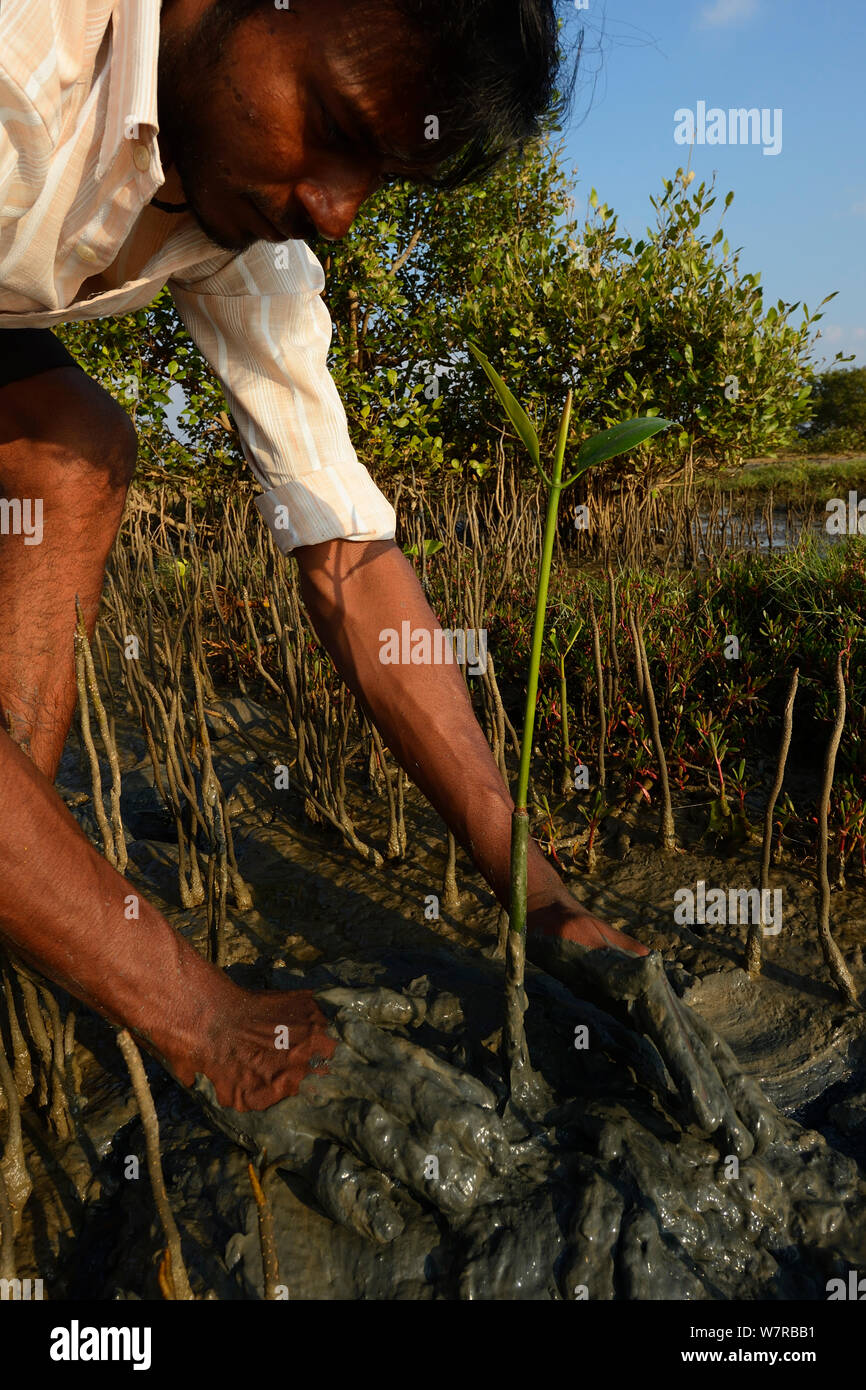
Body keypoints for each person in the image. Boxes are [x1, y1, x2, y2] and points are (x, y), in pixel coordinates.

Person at [0, 0, 645, 1116]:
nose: (336, 216)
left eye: (378, 175)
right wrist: (197, 1014)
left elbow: (345, 546)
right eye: (338, 125)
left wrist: (539, 896)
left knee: (73, 451)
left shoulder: (243, 203)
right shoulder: (29, 50)